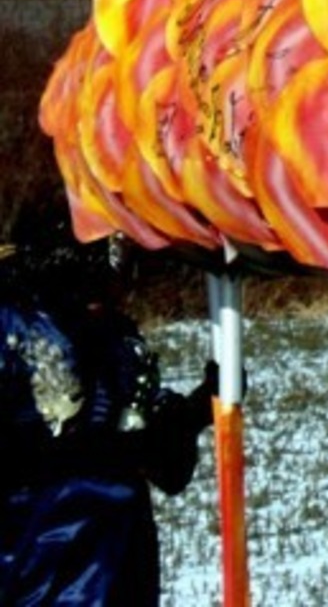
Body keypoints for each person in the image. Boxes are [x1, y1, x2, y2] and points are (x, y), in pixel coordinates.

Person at [0, 223, 216, 605]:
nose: (121, 274)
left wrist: (201, 406)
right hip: (36, 567)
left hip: (115, 568)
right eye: (112, 253)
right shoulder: (13, 325)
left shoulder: (119, 340)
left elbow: (164, 463)